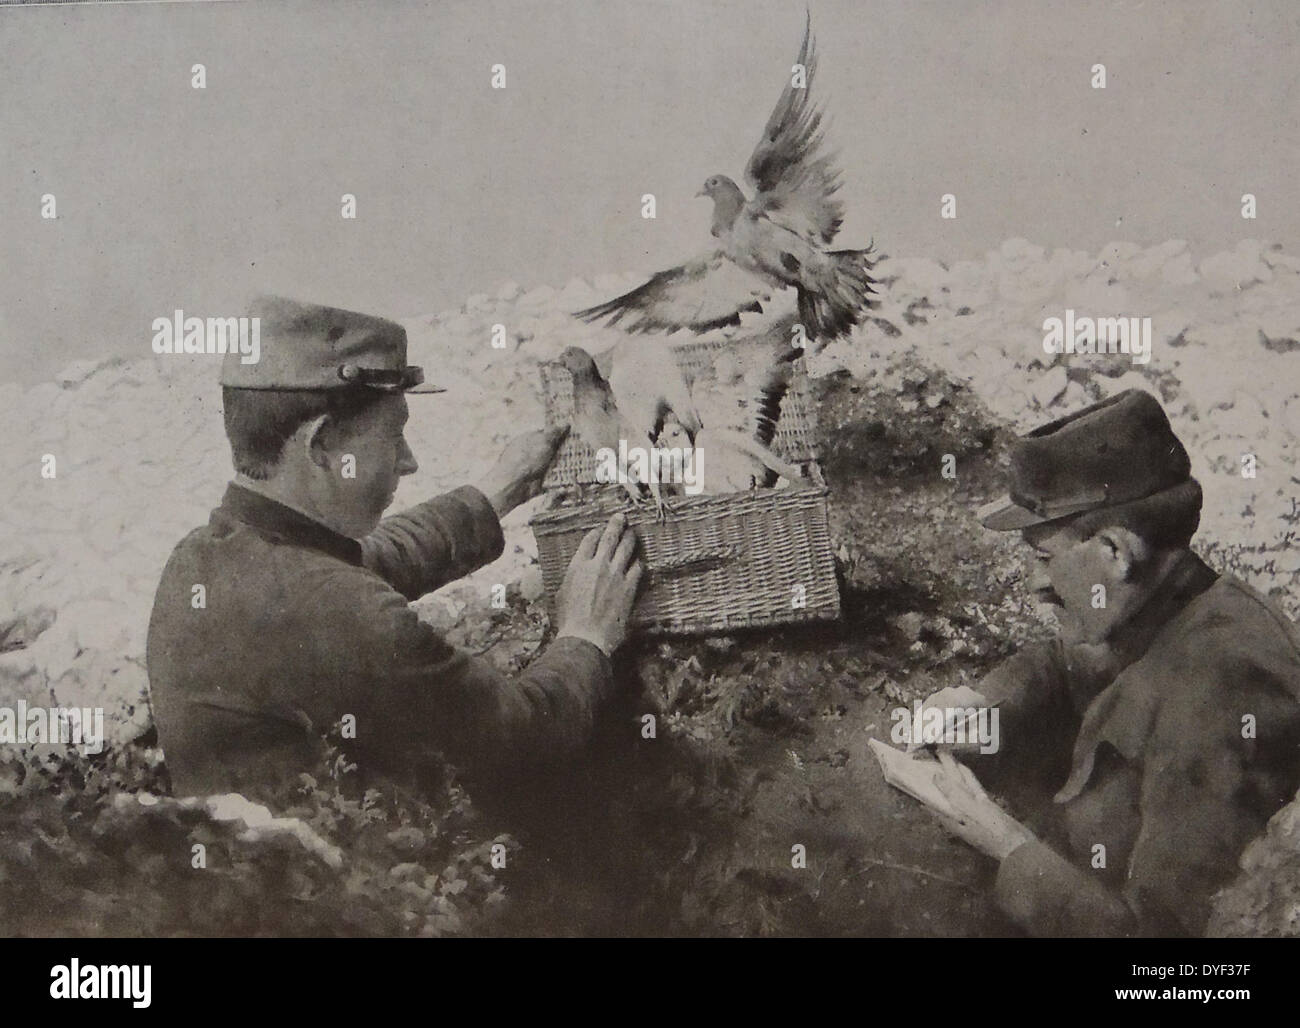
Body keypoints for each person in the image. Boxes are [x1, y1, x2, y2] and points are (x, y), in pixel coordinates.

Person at [147, 295, 642, 804]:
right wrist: (586, 634)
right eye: (393, 437)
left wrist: (502, 489)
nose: (409, 463)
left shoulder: (202, 559)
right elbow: (523, 740)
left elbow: (370, 560)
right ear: (320, 446)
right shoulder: (330, 609)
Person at [916, 389, 1300, 936]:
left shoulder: (1221, 696)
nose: (1035, 584)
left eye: (1044, 558)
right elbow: (1068, 663)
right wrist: (982, 708)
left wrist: (1006, 846)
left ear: (1116, 553)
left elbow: (1173, 963)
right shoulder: (1167, 601)